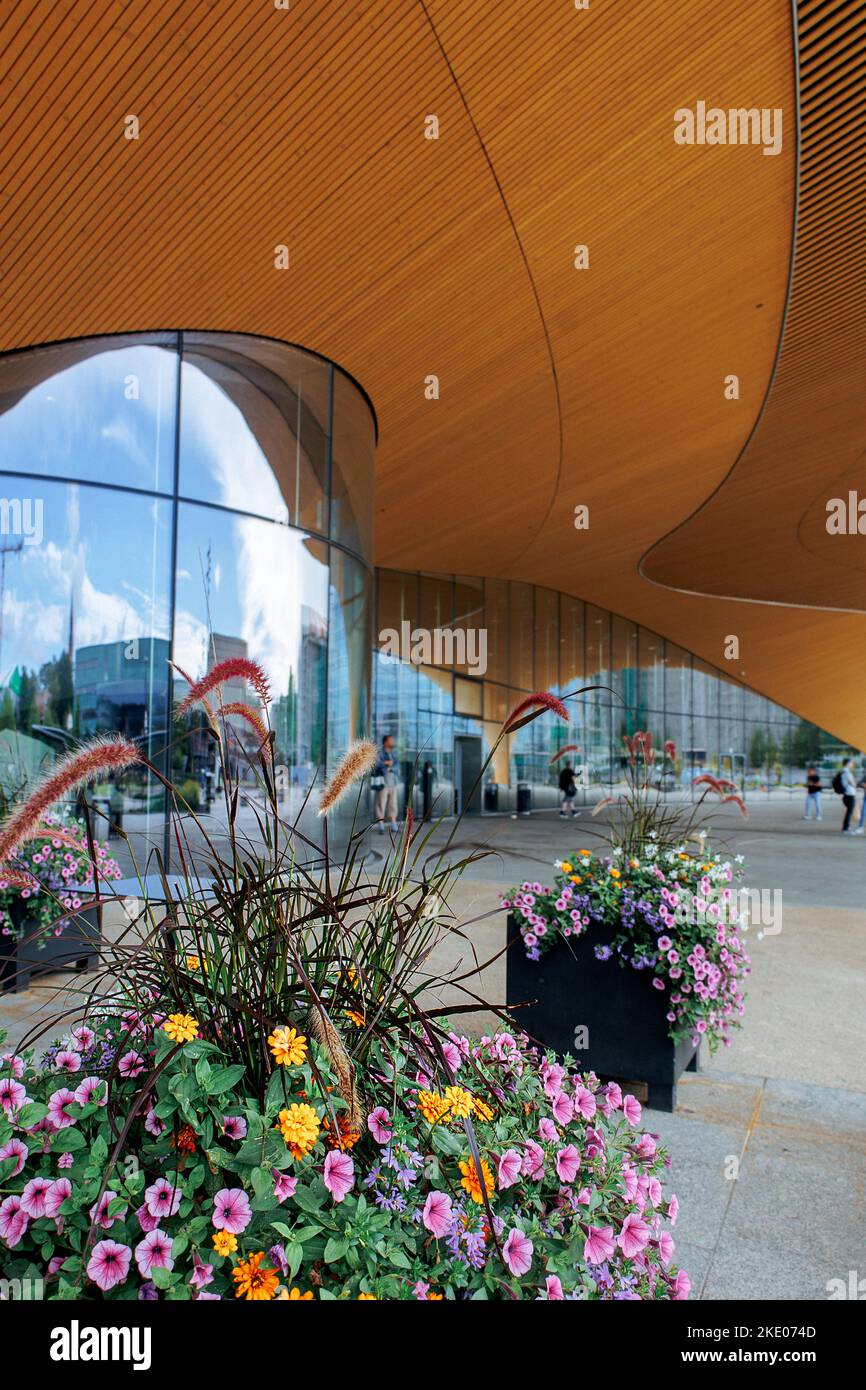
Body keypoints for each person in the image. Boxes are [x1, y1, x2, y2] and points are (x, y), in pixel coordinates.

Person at [372, 734, 399, 833]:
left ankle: (393, 824)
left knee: (393, 804)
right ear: (386, 742)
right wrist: (387, 764)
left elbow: (397, 765)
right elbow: (376, 764)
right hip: (383, 782)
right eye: (390, 740)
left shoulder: (394, 753)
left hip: (393, 782)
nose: (392, 742)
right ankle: (381, 825)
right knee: (380, 804)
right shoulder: (380, 753)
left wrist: (391, 767)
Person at [836, 758, 857, 834]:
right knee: (849, 812)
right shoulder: (847, 773)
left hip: (846, 794)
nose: (853, 764)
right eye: (851, 763)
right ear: (848, 763)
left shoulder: (842, 772)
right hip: (850, 794)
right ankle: (846, 828)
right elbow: (853, 784)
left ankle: (846, 827)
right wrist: (855, 783)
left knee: (848, 811)